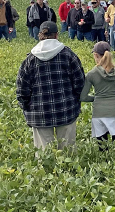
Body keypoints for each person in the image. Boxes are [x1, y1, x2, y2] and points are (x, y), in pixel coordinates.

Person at [16, 21, 85, 149]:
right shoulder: (68, 55)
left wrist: (25, 106)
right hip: (66, 109)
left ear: (40, 35)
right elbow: (80, 83)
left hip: (38, 113)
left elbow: (22, 89)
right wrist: (76, 101)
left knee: (43, 154)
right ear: (56, 35)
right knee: (67, 151)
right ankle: (67, 169)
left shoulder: (30, 59)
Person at [80, 41, 115, 149]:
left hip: (99, 112)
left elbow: (83, 97)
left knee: (102, 148)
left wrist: (97, 98)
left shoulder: (91, 74)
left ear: (95, 55)